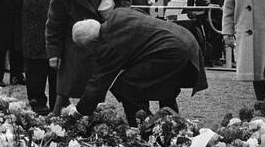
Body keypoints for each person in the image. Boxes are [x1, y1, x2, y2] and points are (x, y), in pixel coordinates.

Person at [72, 10, 208, 124]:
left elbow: (99, 82)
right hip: (184, 38)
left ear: (91, 43)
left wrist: (79, 112)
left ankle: (143, 124)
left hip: (172, 49)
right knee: (160, 84)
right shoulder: (117, 14)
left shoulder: (110, 44)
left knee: (125, 86)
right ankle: (169, 122)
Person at [46, 0, 132, 111]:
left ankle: (95, 115)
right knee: (65, 85)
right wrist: (53, 54)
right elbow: (54, 24)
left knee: (97, 82)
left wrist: (115, 17)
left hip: (102, 35)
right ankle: (57, 117)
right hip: (74, 38)